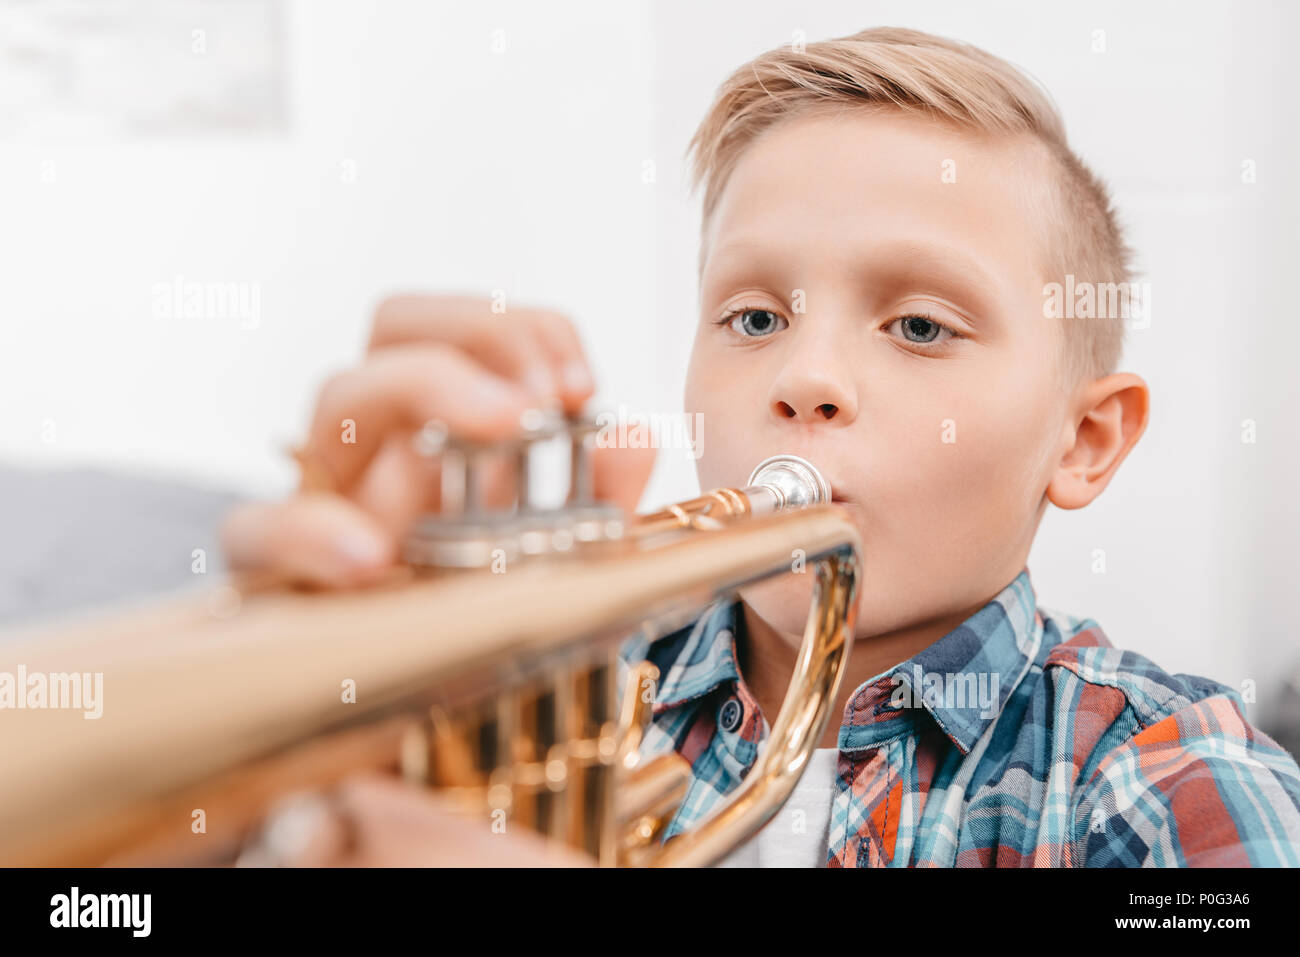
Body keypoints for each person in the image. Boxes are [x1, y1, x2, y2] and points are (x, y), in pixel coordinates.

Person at [224, 27, 1300, 867]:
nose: (802, 380)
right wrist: (313, 740)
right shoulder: (564, 696)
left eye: (919, 325)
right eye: (753, 319)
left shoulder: (1170, 775)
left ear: (1083, 440)